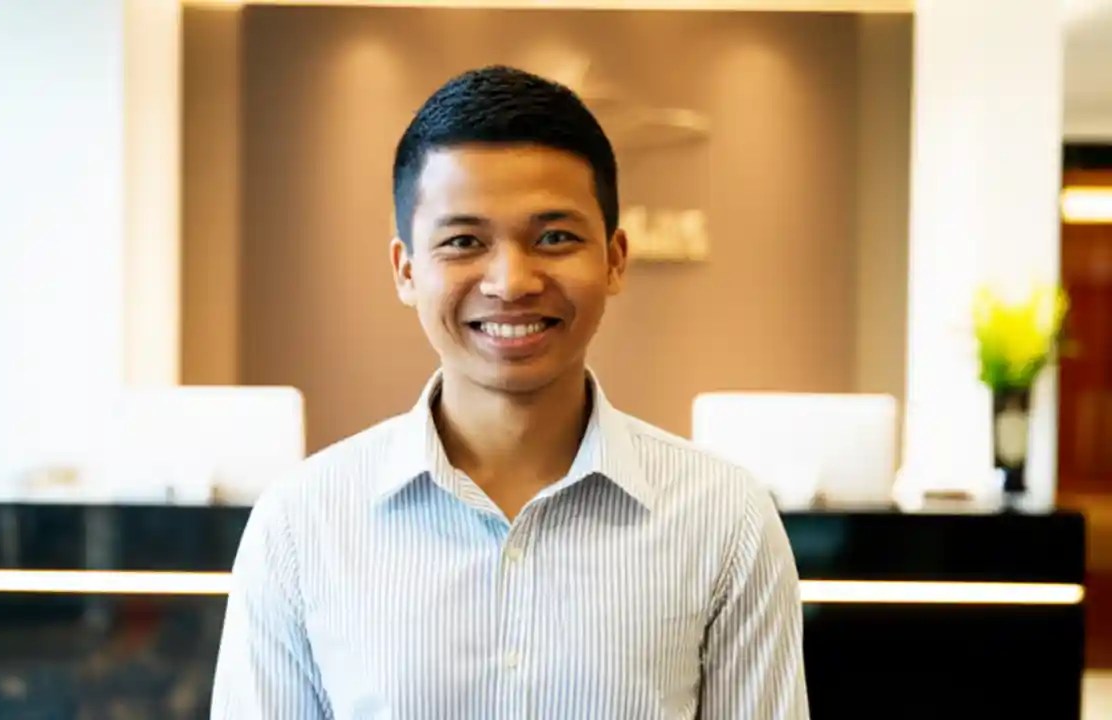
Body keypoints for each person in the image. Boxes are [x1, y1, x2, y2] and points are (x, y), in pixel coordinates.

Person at [212, 65, 808, 719]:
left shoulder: (725, 520)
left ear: (613, 259)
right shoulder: (303, 523)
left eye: (554, 237)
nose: (511, 281)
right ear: (407, 270)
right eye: (464, 241)